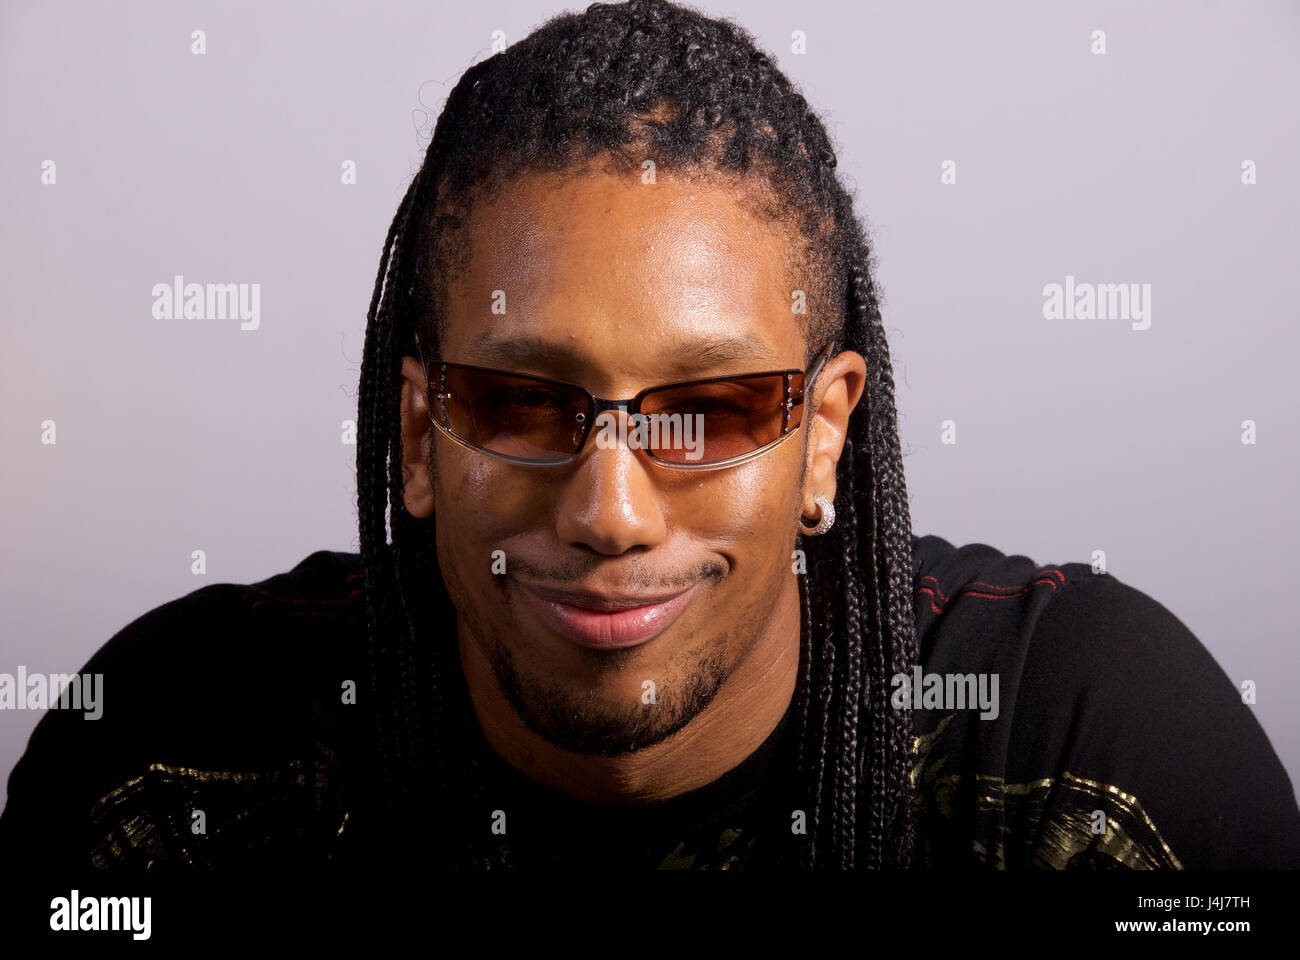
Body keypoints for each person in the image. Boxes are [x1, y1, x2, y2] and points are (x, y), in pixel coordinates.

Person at [2, 0, 1297, 874]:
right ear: (414, 435)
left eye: (709, 409)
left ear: (824, 435)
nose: (609, 512)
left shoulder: (1086, 756)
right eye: (519, 403)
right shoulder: (170, 767)